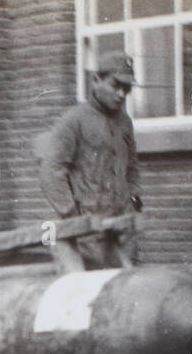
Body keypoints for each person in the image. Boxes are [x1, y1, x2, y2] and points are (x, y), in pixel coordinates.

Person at [36, 51, 143, 269]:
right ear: (96, 81)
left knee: (125, 288)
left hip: (120, 228)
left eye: (127, 88)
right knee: (87, 291)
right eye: (116, 85)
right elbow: (51, 170)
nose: (122, 94)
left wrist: (133, 202)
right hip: (86, 235)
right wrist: (73, 216)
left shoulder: (125, 123)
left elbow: (131, 166)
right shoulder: (73, 121)